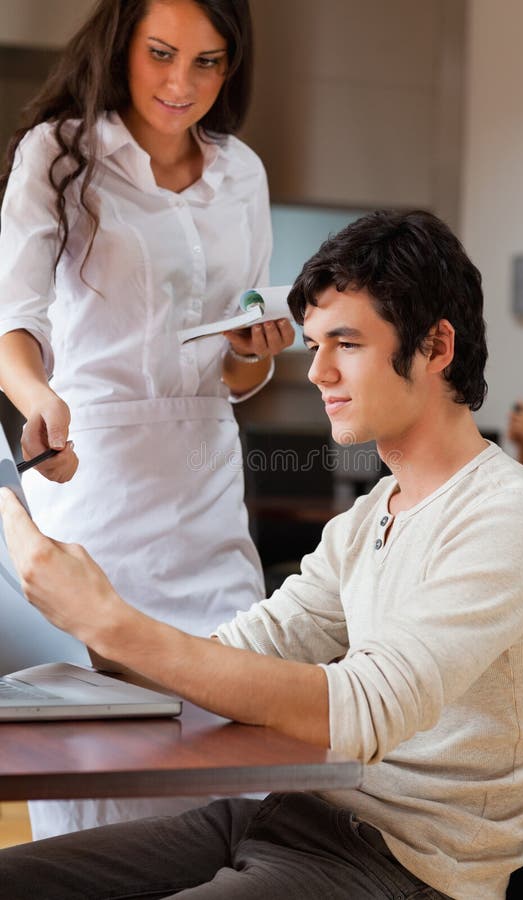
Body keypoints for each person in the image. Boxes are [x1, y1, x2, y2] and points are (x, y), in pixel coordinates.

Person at [0, 210, 523, 900]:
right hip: (282, 819)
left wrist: (111, 622)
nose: (318, 372)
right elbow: (245, 653)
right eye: (313, 345)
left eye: (347, 344)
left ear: (435, 346)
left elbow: (362, 709)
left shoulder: (507, 519)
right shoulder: (372, 515)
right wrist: (84, 622)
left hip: (399, 866)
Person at [0, 0, 294, 838]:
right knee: (101, 760)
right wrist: (38, 398)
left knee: (233, 744)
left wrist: (255, 350)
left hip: (206, 491)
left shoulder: (243, 174)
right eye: (162, 53)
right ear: (121, 43)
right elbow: (12, 321)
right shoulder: (58, 152)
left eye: (207, 61)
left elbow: (236, 371)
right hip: (95, 488)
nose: (181, 83)